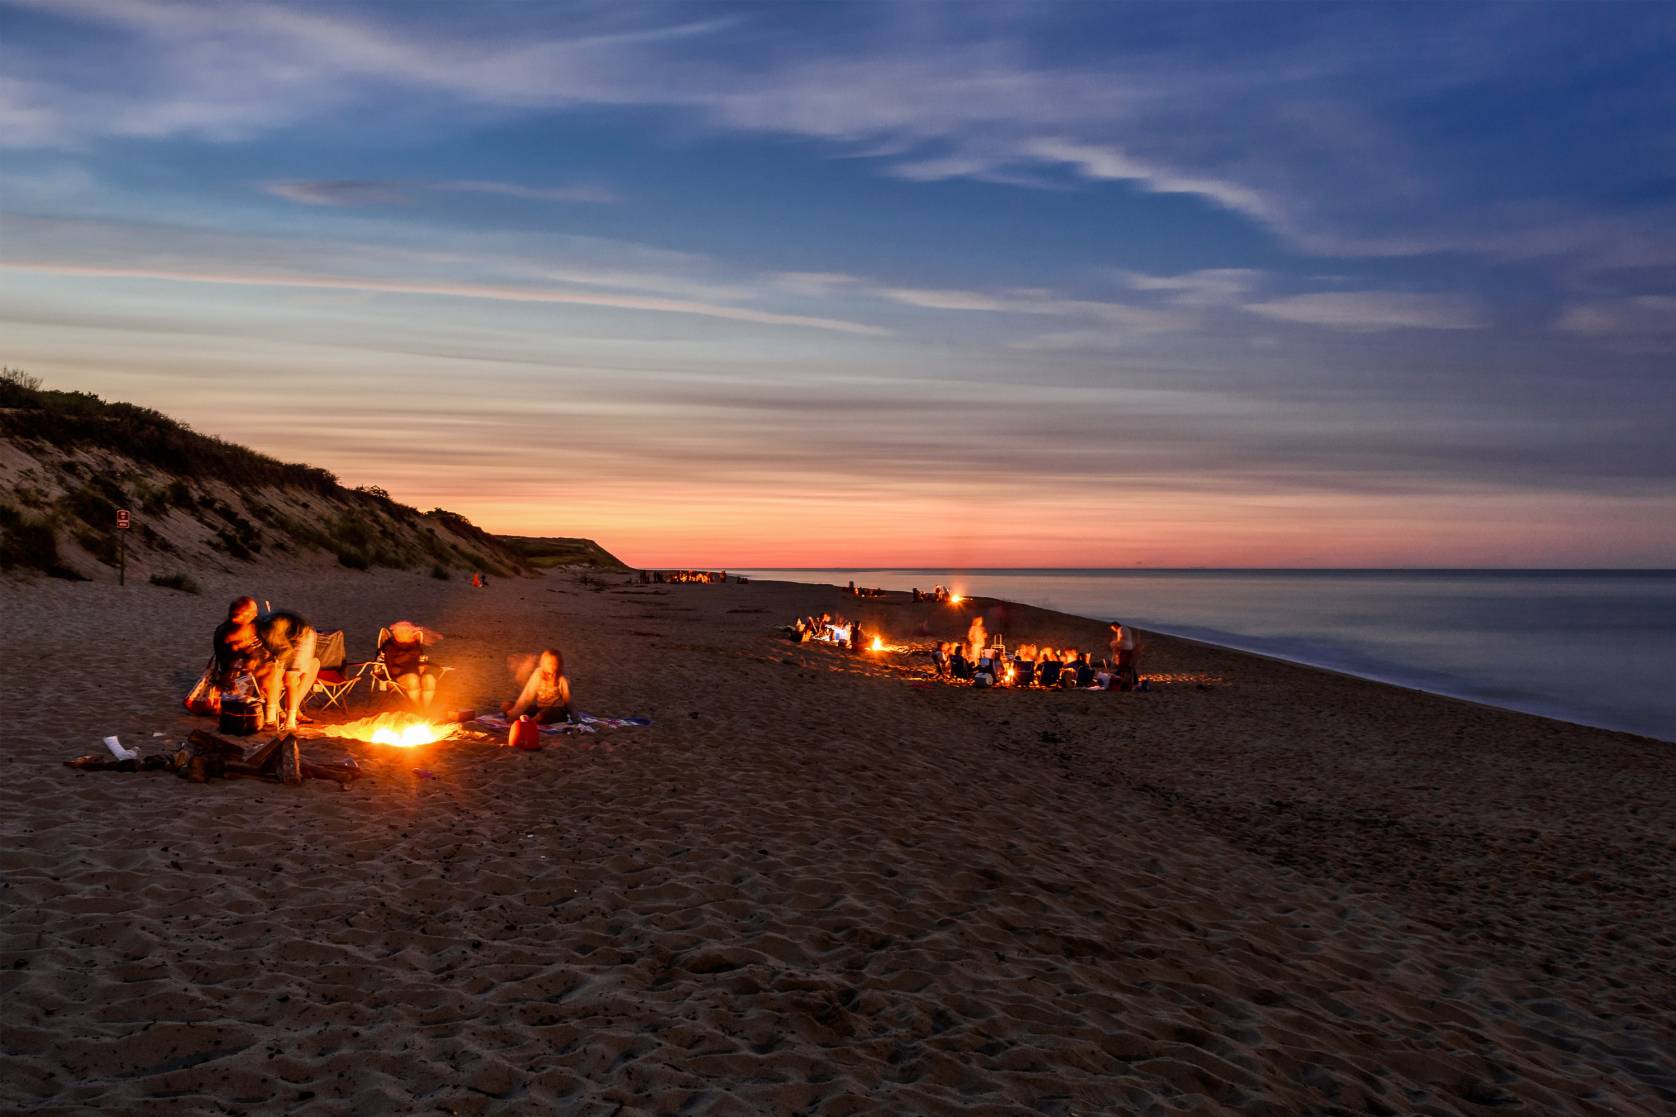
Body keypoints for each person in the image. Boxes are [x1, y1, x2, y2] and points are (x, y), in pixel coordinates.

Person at [256, 607, 319, 731]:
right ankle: (271, 720)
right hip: (285, 636)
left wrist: (276, 667)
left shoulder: (268, 629)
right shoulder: (255, 631)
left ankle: (290, 722)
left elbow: (285, 650)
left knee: (290, 679)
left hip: (302, 635)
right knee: (272, 677)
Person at [212, 595, 272, 692]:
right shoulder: (237, 633)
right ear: (243, 615)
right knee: (273, 670)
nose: (256, 615)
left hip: (230, 673)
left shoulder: (223, 628)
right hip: (238, 678)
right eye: (253, 612)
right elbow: (241, 662)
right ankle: (271, 706)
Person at [381, 620, 443, 710]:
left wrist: (422, 665)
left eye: (411, 632)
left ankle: (425, 708)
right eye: (409, 632)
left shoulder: (414, 644)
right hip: (400, 675)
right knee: (412, 677)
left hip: (417, 673)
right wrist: (410, 669)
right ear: (400, 633)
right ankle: (417, 707)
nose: (412, 634)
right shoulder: (390, 646)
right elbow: (391, 667)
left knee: (429, 678)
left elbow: (421, 658)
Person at [504, 648, 573, 724]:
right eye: (549, 663)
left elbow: (569, 701)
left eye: (555, 663)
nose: (552, 666)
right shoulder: (538, 673)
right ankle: (526, 719)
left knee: (544, 714)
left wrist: (576, 720)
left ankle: (530, 723)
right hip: (540, 708)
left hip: (557, 711)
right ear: (543, 664)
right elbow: (527, 696)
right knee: (507, 705)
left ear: (559, 664)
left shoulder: (562, 678)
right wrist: (515, 712)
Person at [1111, 622, 1139, 690]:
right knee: (1129, 665)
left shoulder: (1120, 629)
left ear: (1115, 626)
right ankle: (1135, 680)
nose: (1114, 630)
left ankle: (1116, 676)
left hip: (1125, 648)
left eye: (1113, 628)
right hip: (1130, 647)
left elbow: (1121, 639)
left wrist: (1114, 644)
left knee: (1122, 664)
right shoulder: (1126, 628)